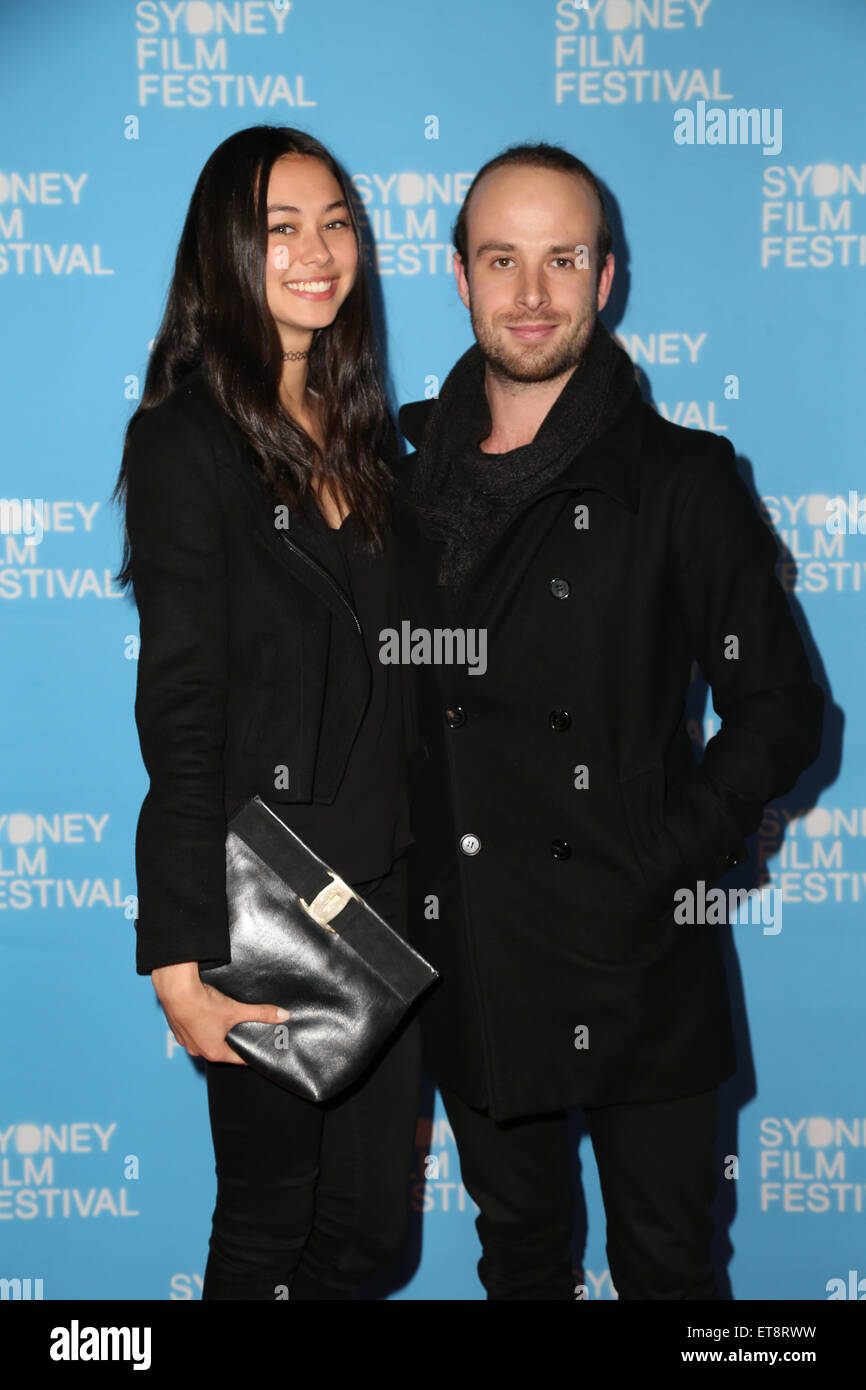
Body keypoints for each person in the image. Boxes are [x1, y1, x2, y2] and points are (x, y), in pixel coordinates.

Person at [393, 142, 824, 1300]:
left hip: (637, 961)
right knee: (520, 1264)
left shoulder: (679, 478)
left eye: (560, 261)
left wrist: (659, 857)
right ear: (459, 276)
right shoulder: (395, 480)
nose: (529, 295)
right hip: (474, 956)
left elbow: (781, 706)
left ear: (605, 276)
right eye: (501, 261)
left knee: (672, 1274)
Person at [113, 125, 421, 1300]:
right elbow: (181, 713)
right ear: (228, 253)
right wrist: (177, 960)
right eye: (281, 226)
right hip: (267, 899)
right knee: (268, 1217)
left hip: (387, 892)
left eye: (335, 220)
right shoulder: (185, 442)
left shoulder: (372, 440)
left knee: (366, 1231)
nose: (316, 250)